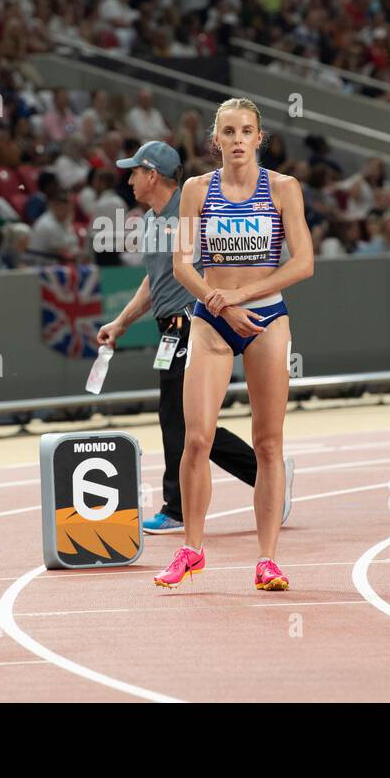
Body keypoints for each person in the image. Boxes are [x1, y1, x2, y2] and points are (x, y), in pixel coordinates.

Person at [154, 99, 313, 592]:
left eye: (247, 131)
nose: (238, 139)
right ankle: (192, 549)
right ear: (215, 140)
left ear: (259, 138)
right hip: (211, 320)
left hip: (266, 319)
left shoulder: (284, 188)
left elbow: (303, 262)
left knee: (268, 443)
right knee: (196, 438)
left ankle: (267, 560)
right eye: (229, 131)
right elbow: (183, 265)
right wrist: (222, 305)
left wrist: (244, 295)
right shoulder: (197, 191)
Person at [97, 141, 290, 536]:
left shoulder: (192, 212)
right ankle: (264, 476)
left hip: (194, 324)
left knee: (181, 420)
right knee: (184, 420)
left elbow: (223, 265)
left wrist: (227, 307)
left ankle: (181, 507)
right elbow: (155, 280)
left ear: (152, 175)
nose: (129, 178)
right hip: (169, 328)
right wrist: (121, 322)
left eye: (135, 171)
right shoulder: (151, 221)